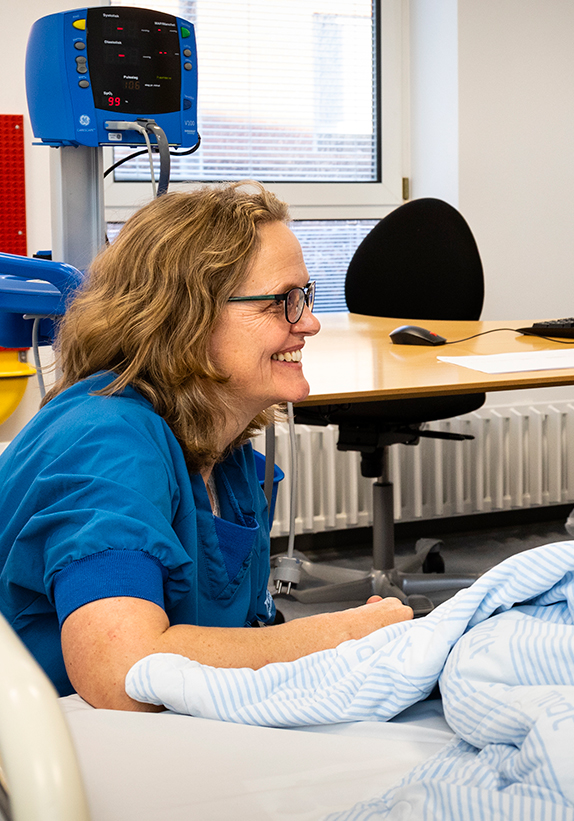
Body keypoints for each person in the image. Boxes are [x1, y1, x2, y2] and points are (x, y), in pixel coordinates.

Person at [0, 183, 413, 710]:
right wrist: (346, 634)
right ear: (184, 317)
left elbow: (234, 632)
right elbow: (122, 671)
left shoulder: (224, 450)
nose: (308, 322)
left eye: (305, 297)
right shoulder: (107, 441)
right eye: (281, 303)